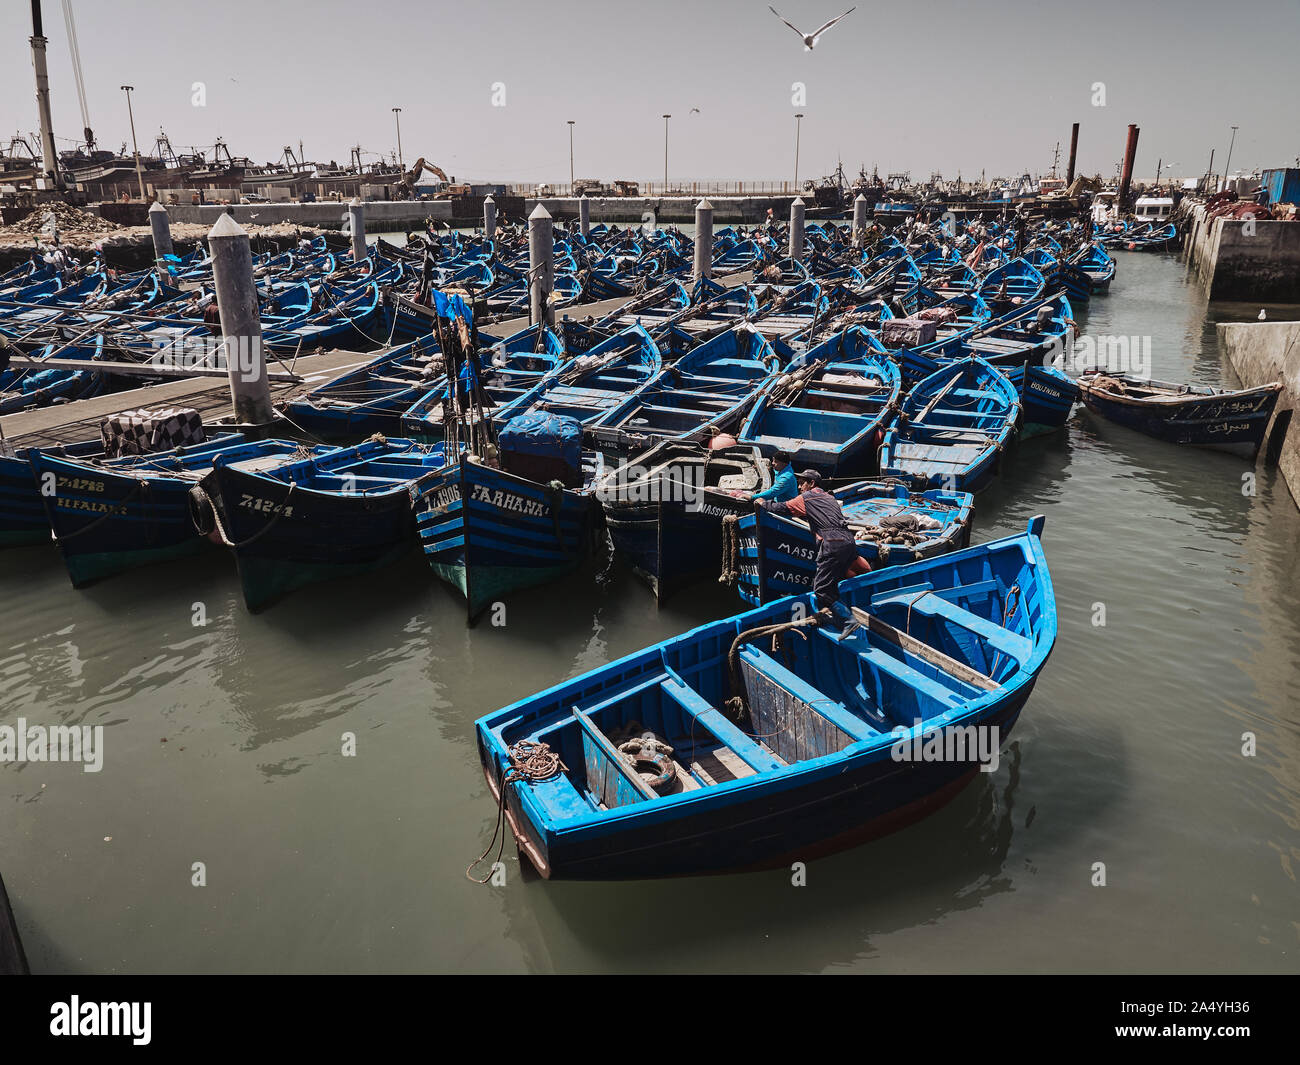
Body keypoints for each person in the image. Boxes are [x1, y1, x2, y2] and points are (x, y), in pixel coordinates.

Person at [755, 469, 867, 619]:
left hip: (831, 543)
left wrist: (764, 503)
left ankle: (849, 621)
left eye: (802, 484)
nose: (800, 488)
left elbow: (783, 507)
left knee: (821, 589)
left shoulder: (806, 498)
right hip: (848, 540)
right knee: (842, 575)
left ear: (812, 483)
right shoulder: (829, 498)